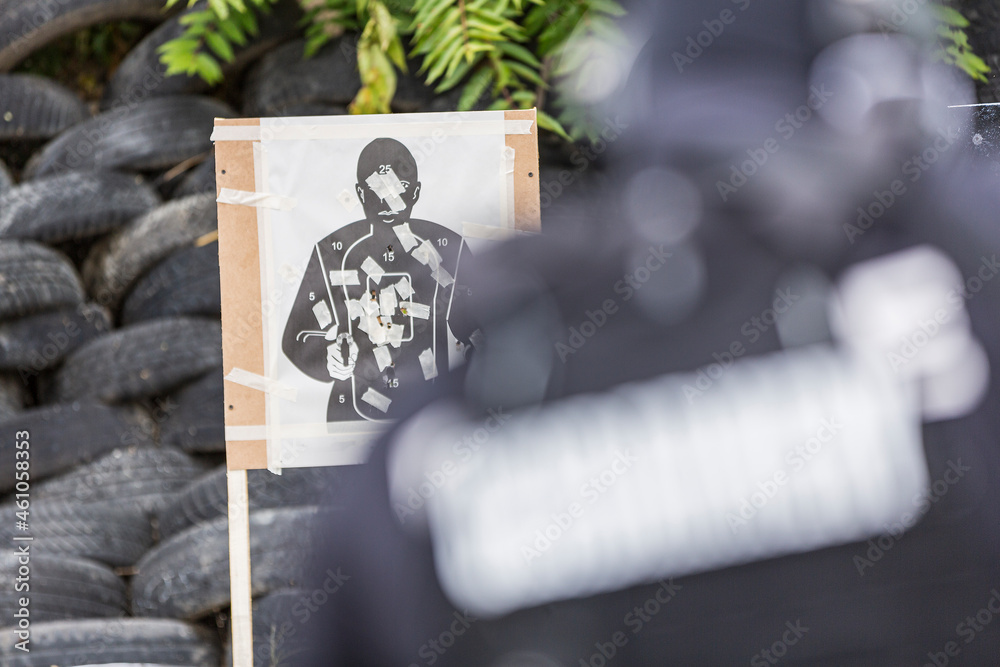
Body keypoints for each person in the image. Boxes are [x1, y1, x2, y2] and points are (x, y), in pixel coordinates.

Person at [282, 137, 475, 423]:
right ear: (360, 193)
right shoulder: (332, 249)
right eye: (376, 188)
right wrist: (329, 359)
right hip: (351, 414)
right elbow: (296, 340)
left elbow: (482, 325)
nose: (388, 199)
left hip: (433, 414)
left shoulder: (448, 246)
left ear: (416, 192)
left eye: (400, 188)